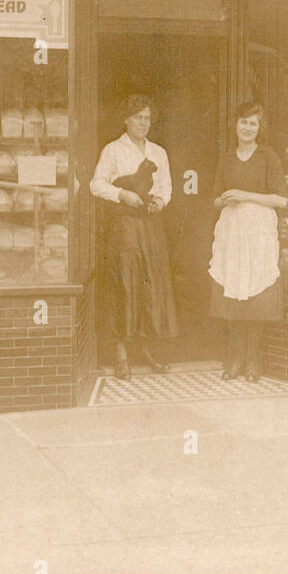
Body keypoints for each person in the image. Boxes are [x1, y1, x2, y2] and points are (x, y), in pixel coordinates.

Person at [90, 95, 178, 380]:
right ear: (126, 119)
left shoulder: (158, 152)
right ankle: (121, 355)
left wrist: (160, 201)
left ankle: (146, 350)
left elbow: (166, 185)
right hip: (124, 227)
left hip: (150, 227)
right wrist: (121, 194)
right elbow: (96, 184)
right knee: (124, 286)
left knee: (149, 288)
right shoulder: (113, 150)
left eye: (147, 118)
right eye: (138, 117)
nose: (143, 123)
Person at [209, 101, 288, 382]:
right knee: (233, 294)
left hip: (259, 233)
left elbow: (281, 198)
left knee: (256, 296)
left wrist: (245, 195)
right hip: (232, 232)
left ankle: (254, 361)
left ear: (259, 128)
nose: (247, 127)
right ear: (236, 124)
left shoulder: (269, 156)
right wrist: (224, 199)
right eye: (243, 122)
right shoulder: (227, 158)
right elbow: (216, 198)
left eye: (253, 123)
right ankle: (235, 360)